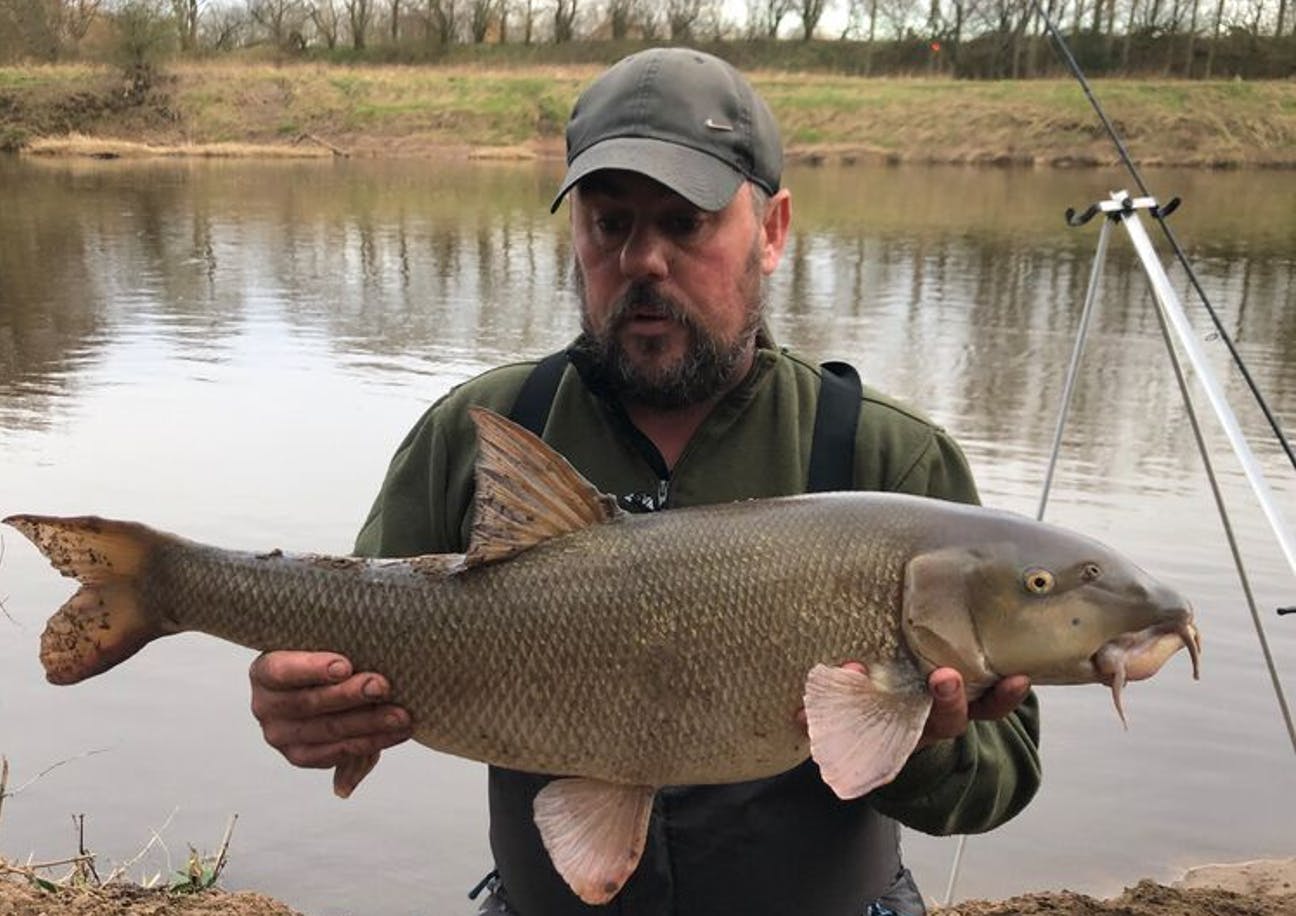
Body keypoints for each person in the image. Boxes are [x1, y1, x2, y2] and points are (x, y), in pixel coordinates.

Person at [248, 47, 1040, 916]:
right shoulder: (484, 431)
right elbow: (357, 646)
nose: (643, 260)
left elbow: (997, 786)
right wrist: (314, 712)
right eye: (610, 221)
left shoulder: (889, 461)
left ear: (772, 231)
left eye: (685, 222)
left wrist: (913, 735)